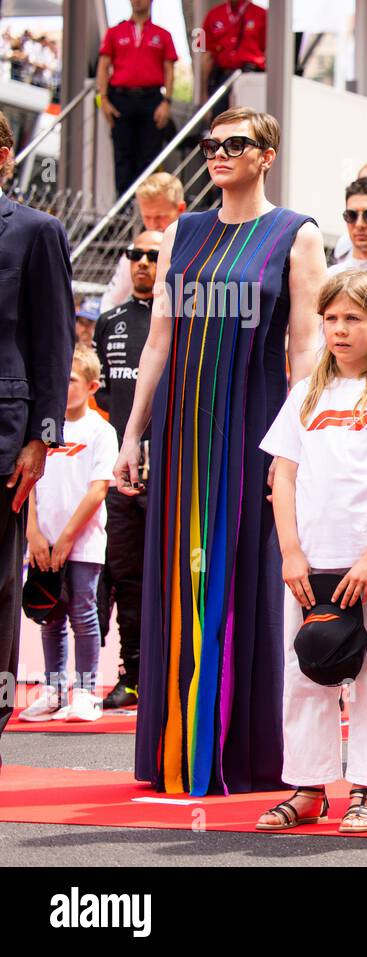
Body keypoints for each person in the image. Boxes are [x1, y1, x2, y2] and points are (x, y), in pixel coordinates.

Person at [114, 107, 328, 796]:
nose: (218, 152)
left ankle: (243, 750)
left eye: (234, 143)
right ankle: (175, 748)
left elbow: (308, 349)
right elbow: (158, 342)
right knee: (180, 575)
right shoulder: (184, 231)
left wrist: (299, 448)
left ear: (267, 154)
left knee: (244, 575)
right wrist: (131, 435)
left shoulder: (296, 235)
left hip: (254, 433)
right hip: (181, 435)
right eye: (211, 143)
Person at [255, 269, 367, 833]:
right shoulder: (305, 393)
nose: (340, 330)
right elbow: (284, 477)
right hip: (309, 563)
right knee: (305, 670)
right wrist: (291, 552)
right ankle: (306, 785)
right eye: (331, 319)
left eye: (353, 319)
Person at [0, 111, 77, 756]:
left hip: (5, 435)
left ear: (5, 157)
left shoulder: (35, 232)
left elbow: (54, 341)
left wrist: (40, 437)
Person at [20, 347, 118, 724]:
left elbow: (97, 491)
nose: (64, 387)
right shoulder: (43, 430)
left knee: (83, 614)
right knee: (50, 617)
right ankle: (54, 690)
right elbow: (29, 483)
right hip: (43, 545)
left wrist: (66, 538)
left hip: (82, 544)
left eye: (72, 381)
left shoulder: (100, 431)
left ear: (92, 386)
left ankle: (86, 692)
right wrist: (33, 534)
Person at [94, 229, 163, 708]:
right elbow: (102, 394)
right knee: (125, 574)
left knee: (180, 572)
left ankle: (172, 672)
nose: (142, 263)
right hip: (122, 470)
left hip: (170, 467)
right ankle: (133, 673)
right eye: (134, 254)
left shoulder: (178, 320)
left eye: (153, 256)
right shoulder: (109, 321)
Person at [96, 0, 177, 197]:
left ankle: (147, 210)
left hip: (151, 99)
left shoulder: (163, 34)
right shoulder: (115, 32)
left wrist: (166, 103)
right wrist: (104, 100)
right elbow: (103, 66)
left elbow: (169, 71)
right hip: (120, 99)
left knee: (149, 158)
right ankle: (123, 214)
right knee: (122, 157)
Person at [100, 172, 186, 314]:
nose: (153, 224)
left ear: (180, 210)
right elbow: (111, 302)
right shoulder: (136, 252)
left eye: (159, 217)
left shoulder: (197, 245)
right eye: (147, 217)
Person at [198, 0, 267, 110]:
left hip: (251, 77)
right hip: (222, 79)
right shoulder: (213, 14)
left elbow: (269, 53)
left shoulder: (262, 14)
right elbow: (206, 55)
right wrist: (204, 95)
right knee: (221, 119)